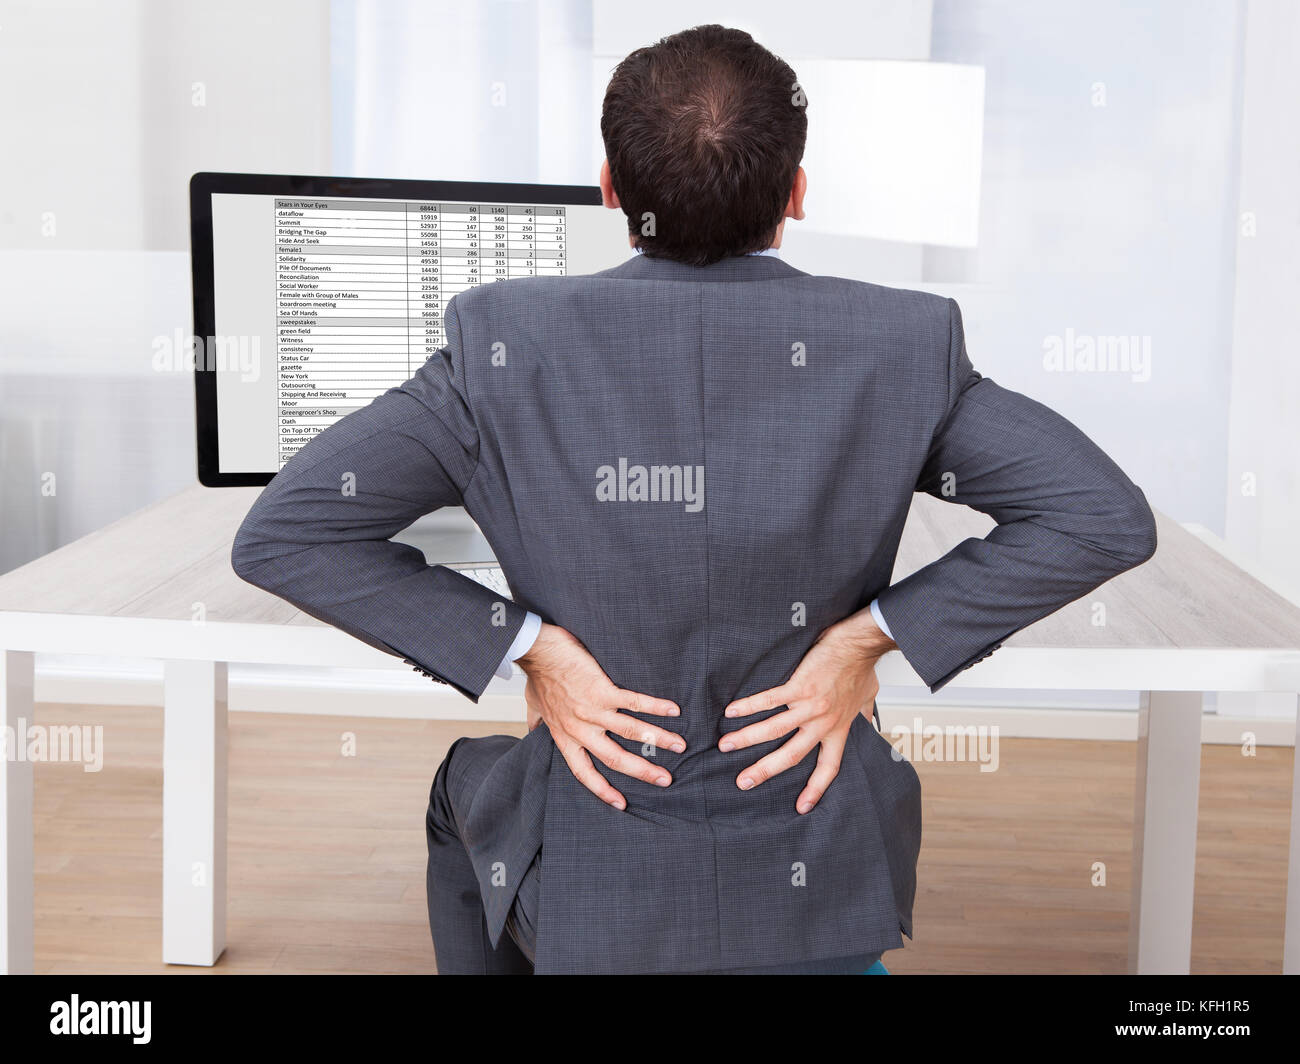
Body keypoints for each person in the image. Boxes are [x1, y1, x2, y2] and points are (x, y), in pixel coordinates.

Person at [231, 24, 1157, 974]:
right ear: (796, 195)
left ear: (610, 191)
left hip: (602, 890)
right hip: (815, 879)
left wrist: (527, 649)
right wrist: (871, 636)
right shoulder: (898, 342)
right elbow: (1102, 516)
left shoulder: (501, 342)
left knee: (462, 790)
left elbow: (289, 535)